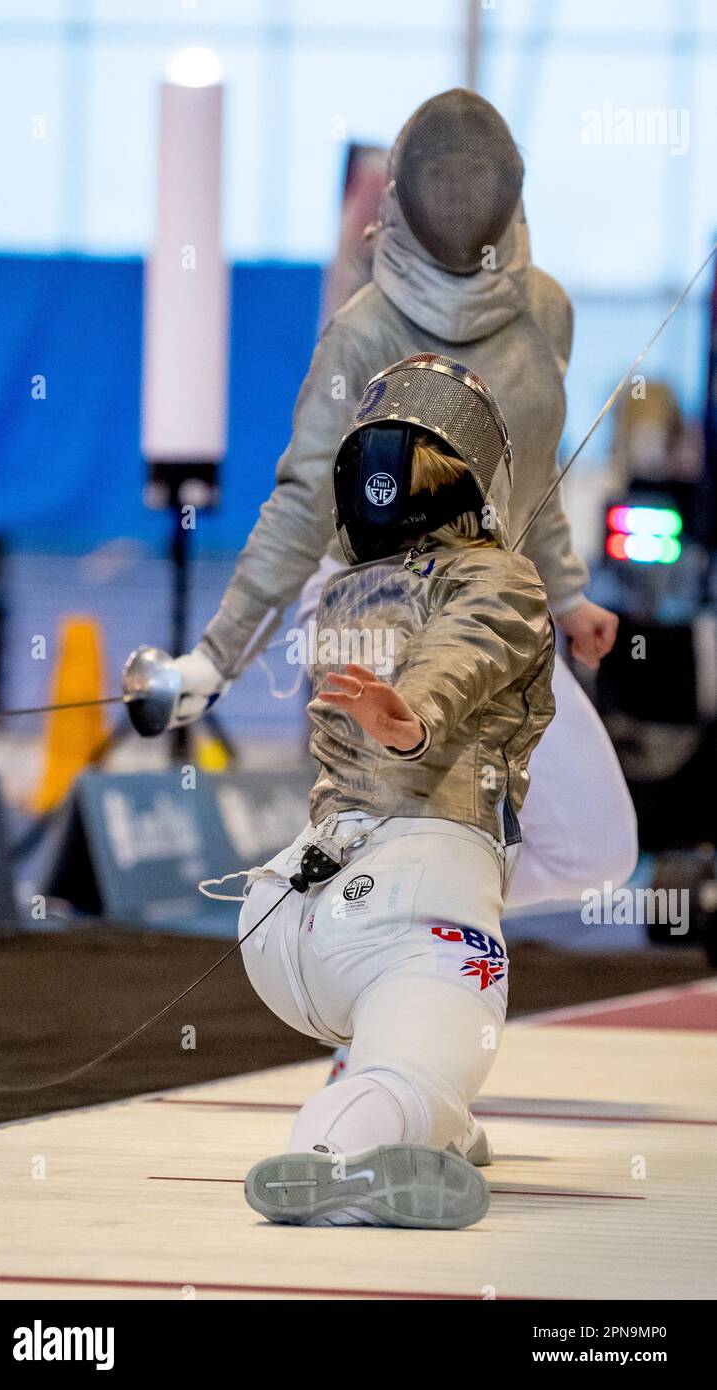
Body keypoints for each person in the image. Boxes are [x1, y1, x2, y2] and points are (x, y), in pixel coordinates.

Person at [154, 88, 637, 908]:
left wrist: (566, 592)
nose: (457, 205)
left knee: (595, 848)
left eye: (473, 186)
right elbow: (307, 496)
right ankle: (345, 946)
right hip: (368, 595)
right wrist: (216, 655)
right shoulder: (363, 329)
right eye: (439, 186)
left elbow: (531, 471)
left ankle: (382, 913)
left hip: (489, 601)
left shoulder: (544, 309)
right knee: (407, 813)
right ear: (403, 206)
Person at [239, 355, 555, 1229]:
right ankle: (333, 1153)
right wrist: (413, 718)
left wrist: (401, 709)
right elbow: (465, 649)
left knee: (419, 1049)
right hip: (413, 901)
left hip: (290, 912)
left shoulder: (343, 591)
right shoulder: (500, 577)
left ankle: (439, 1120)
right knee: (418, 1064)